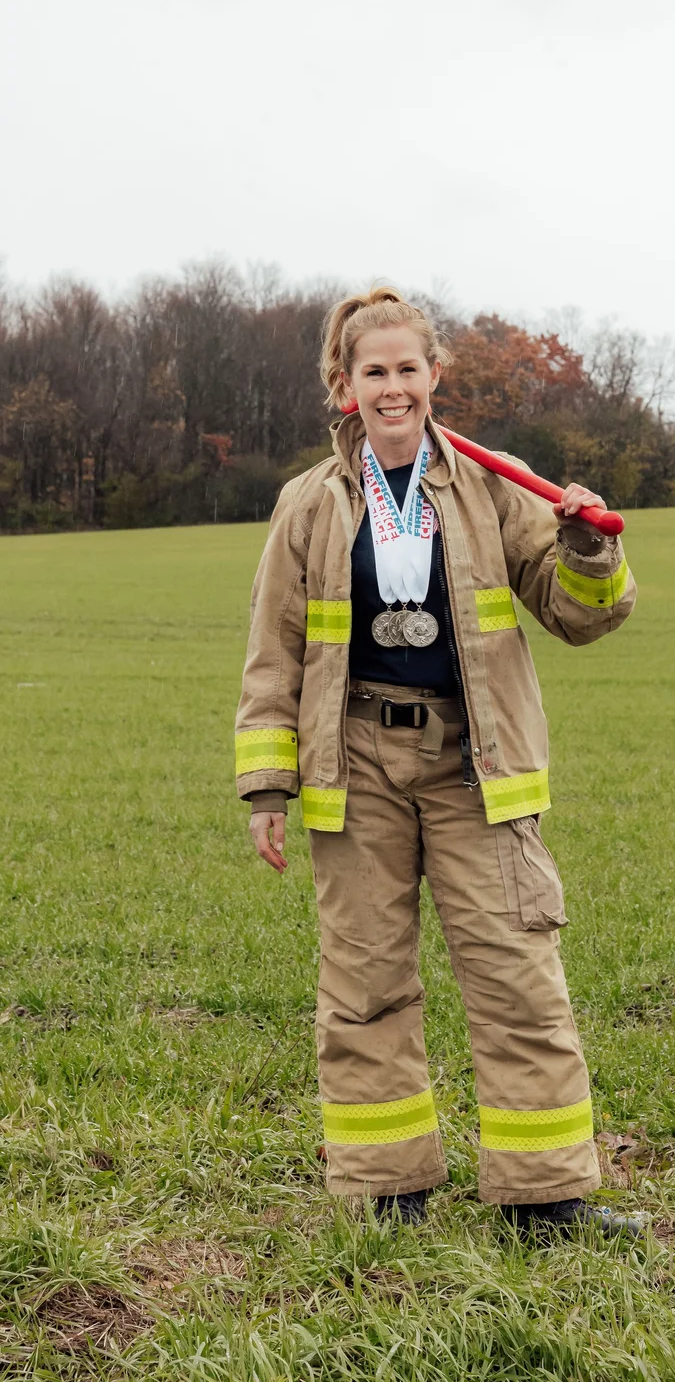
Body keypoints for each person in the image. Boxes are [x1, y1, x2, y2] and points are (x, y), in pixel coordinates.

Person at [234, 285, 638, 1235]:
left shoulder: (496, 485)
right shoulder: (309, 503)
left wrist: (585, 547)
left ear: (434, 376)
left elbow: (583, 616)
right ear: (345, 385)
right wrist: (266, 785)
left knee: (515, 975)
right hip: (355, 762)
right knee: (365, 982)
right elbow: (273, 650)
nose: (392, 387)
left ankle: (547, 1201)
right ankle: (387, 1193)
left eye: (407, 368)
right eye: (372, 371)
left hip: (473, 760)